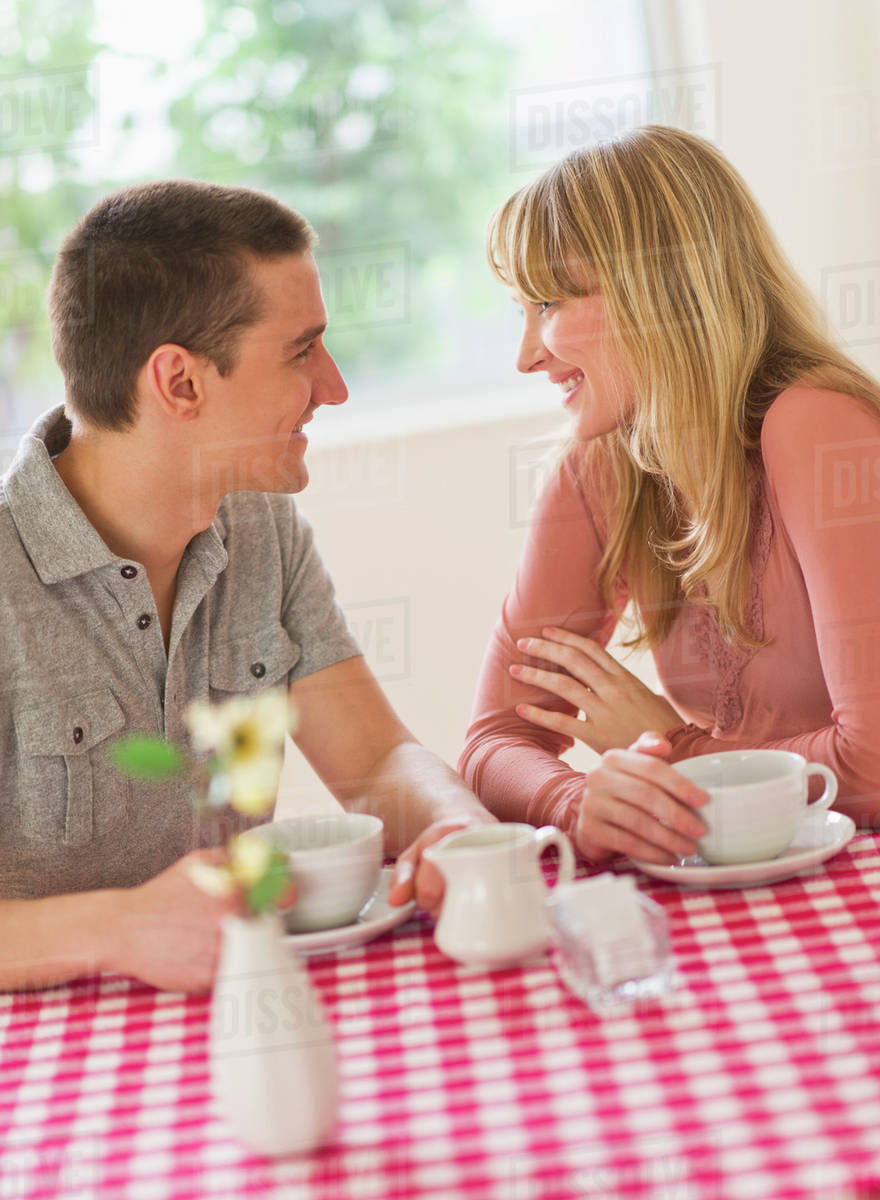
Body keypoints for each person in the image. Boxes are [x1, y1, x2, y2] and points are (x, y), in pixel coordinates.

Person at [0, 179, 492, 994]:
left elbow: (376, 758)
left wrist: (453, 826)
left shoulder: (259, 527)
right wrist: (115, 930)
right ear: (181, 383)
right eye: (302, 351)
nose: (333, 387)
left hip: (244, 1014)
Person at [459, 124, 880, 868]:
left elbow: (874, 767)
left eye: (550, 303)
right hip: (749, 871)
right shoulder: (599, 472)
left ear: (661, 289)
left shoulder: (814, 425)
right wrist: (578, 802)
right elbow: (496, 743)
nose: (526, 356)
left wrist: (678, 752)